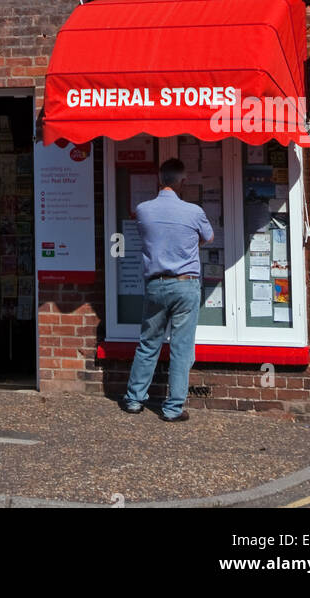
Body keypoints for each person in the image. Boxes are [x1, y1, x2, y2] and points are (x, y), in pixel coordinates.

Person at [121, 156, 213, 422]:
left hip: (156, 285)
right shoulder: (194, 212)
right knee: (182, 348)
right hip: (185, 284)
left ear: (159, 180)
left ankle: (134, 400)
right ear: (183, 181)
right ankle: (173, 408)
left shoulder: (144, 209)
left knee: (148, 343)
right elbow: (209, 237)